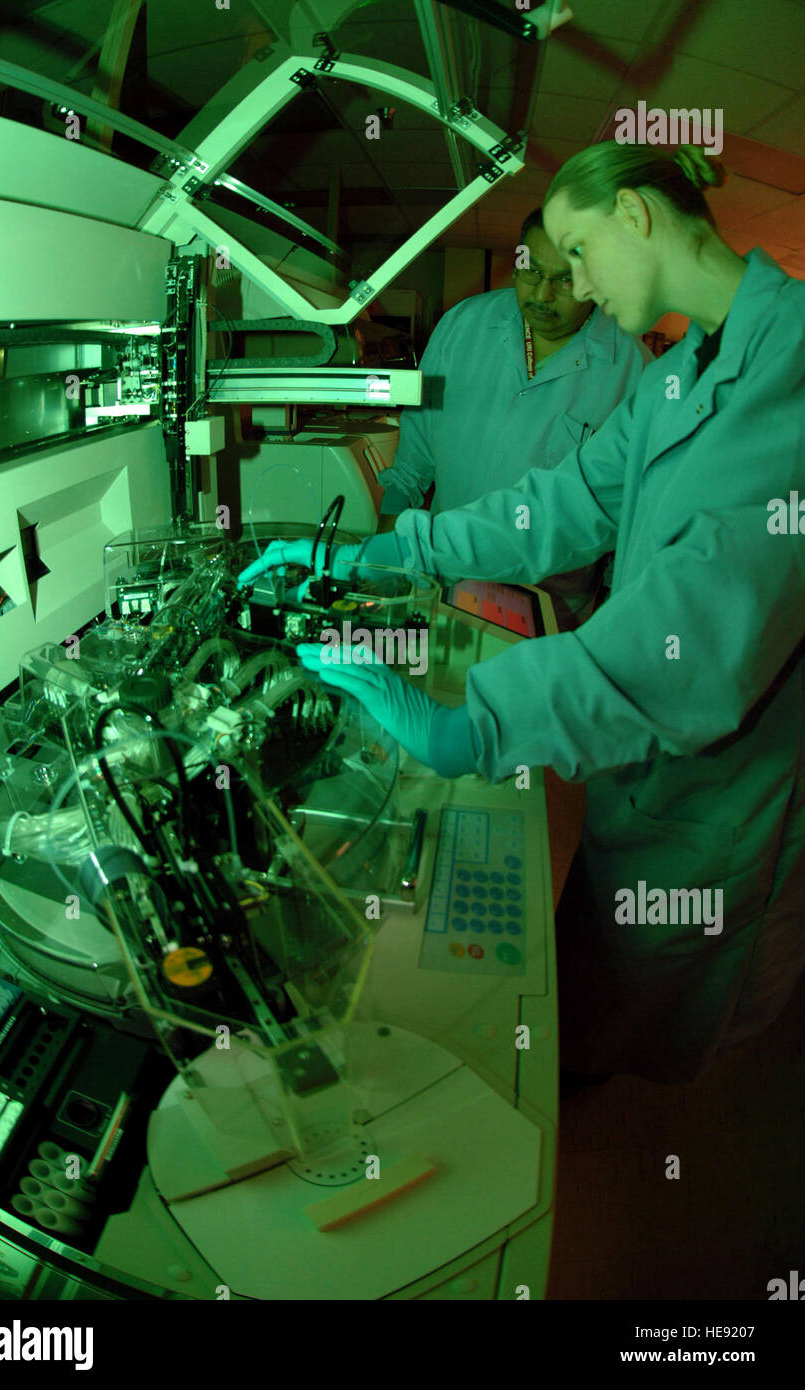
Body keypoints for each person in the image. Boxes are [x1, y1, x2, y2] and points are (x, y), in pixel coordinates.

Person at [238, 142, 805, 1087]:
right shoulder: (680, 375)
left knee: (659, 1019)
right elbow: (557, 502)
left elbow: (697, 637)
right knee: (591, 968)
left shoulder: (787, 372)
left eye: (576, 251)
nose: (566, 280)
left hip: (724, 786)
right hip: (641, 766)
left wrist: (476, 725)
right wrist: (387, 549)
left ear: (634, 214)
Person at [376, 208, 652, 628]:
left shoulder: (635, 373)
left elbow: (631, 516)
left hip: (551, 613)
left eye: (565, 280)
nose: (541, 296)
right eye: (531, 270)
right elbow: (413, 461)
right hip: (444, 588)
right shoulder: (462, 326)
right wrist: (386, 551)